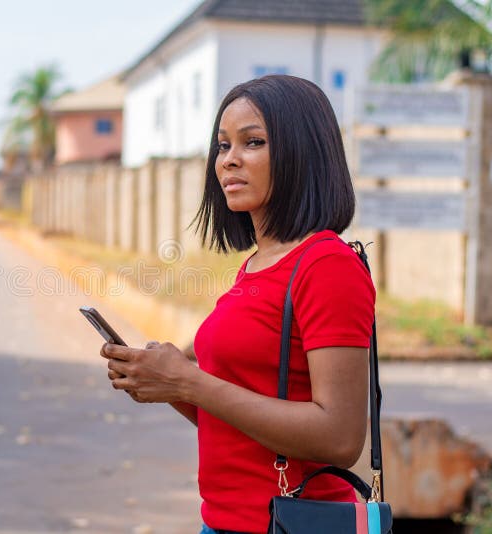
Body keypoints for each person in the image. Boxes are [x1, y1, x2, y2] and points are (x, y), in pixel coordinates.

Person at [100, 75, 375, 534]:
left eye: (253, 142)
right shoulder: (257, 266)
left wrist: (189, 383)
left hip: (289, 523)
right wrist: (164, 383)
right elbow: (237, 419)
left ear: (301, 152)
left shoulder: (326, 264)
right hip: (226, 521)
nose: (229, 160)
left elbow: (341, 437)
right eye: (223, 146)